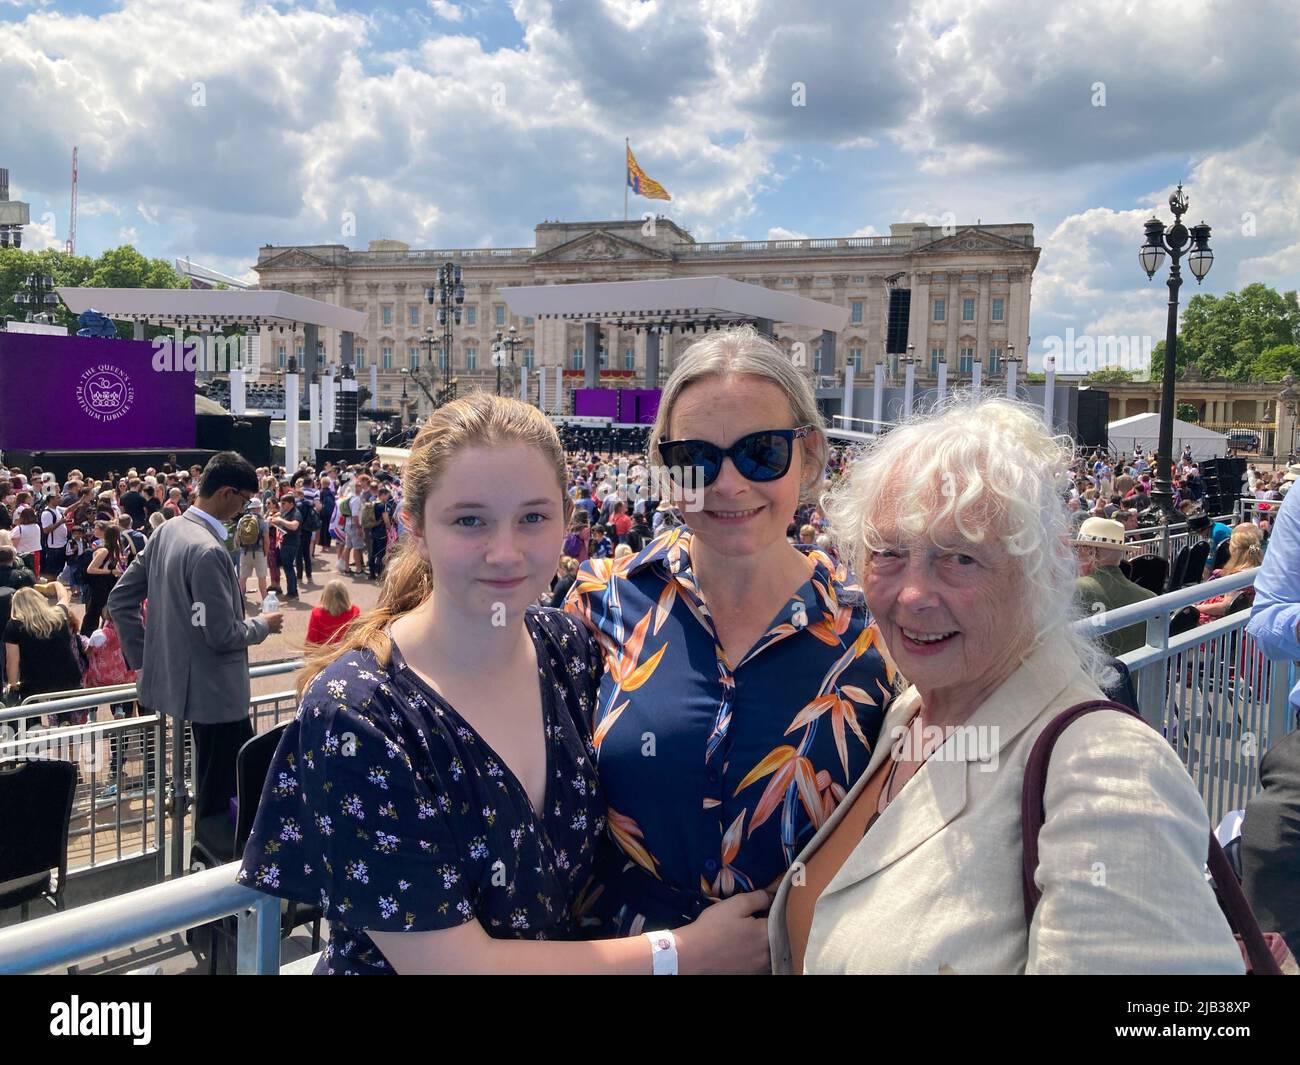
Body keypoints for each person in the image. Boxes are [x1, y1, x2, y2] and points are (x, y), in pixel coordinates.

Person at [240, 394, 768, 975]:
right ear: (415, 528)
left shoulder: (567, 648)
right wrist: (683, 953)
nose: (506, 551)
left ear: (567, 522)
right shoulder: (357, 712)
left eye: (533, 518)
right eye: (470, 520)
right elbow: (450, 965)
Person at [769, 397, 1244, 974]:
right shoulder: (911, 712)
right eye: (888, 553)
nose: (912, 594)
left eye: (961, 558)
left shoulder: (1108, 772)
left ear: (1041, 572)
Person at [565, 325, 894, 936]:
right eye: (694, 460)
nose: (728, 485)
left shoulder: (874, 630)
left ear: (811, 454)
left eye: (761, 452)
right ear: (664, 467)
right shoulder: (602, 600)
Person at [108, 452, 284, 834]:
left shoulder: (167, 530)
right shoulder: (206, 550)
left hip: (188, 690)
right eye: (242, 502)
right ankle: (209, 871)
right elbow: (221, 635)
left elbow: (120, 600)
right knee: (220, 801)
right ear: (226, 493)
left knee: (233, 784)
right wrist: (263, 625)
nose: (242, 511)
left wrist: (147, 660)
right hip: (216, 697)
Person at [1071, 516, 1156, 656]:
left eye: (1078, 549)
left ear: (1090, 552)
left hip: (1091, 676)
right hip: (1138, 677)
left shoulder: (1073, 590)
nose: (1075, 555)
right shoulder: (1150, 598)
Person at [4, 586, 85, 722]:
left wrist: (12, 685)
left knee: (29, 714)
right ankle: (65, 728)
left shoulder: (14, 625)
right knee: (67, 719)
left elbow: (12, 661)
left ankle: (34, 733)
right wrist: (55, 585)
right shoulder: (59, 615)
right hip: (67, 677)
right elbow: (64, 597)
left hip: (35, 682)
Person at [1194, 523, 1264, 623]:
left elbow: (1225, 607)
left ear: (1234, 550)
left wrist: (1197, 608)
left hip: (1228, 627)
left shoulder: (1237, 577)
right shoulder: (1259, 568)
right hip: (1246, 619)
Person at [83, 521, 125, 635]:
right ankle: (86, 637)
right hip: (99, 586)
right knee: (94, 612)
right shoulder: (104, 550)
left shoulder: (115, 550)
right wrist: (111, 572)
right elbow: (90, 569)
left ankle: (104, 634)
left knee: (105, 612)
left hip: (108, 584)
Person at [304, 578, 361, 646]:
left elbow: (311, 641)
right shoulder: (355, 611)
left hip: (324, 653)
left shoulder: (317, 614)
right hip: (347, 652)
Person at [236, 497, 271, 603]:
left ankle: (239, 601)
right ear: (258, 508)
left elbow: (237, 538)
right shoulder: (262, 521)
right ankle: (265, 602)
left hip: (244, 552)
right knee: (262, 578)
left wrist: (241, 549)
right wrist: (266, 553)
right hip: (259, 552)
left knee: (242, 578)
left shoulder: (242, 520)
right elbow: (266, 540)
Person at [269, 494, 302, 600]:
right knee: (286, 567)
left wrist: (280, 521)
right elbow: (276, 517)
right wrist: (272, 518)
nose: (281, 505)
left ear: (291, 504)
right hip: (284, 543)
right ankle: (289, 590)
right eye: (281, 503)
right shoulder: (285, 511)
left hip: (291, 544)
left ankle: (292, 592)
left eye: (284, 503)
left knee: (288, 567)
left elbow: (294, 525)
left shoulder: (296, 513)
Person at [10, 506, 41, 575]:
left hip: (22, 556)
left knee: (23, 574)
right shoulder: (37, 527)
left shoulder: (19, 529)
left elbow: (13, 545)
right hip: (35, 553)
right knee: (34, 574)